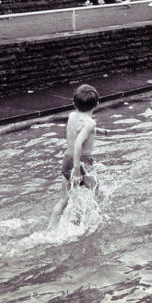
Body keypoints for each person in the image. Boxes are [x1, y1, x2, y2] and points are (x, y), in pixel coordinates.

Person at [49, 84, 107, 227]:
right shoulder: (90, 122)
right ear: (97, 104)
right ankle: (95, 223)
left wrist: (98, 130)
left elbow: (79, 130)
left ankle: (51, 227)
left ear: (73, 102)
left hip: (67, 160)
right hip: (81, 163)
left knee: (64, 199)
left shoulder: (72, 115)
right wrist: (77, 167)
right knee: (98, 193)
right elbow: (78, 143)